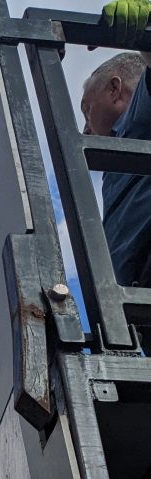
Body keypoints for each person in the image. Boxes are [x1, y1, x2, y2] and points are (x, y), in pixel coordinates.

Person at [81, 1, 151, 289]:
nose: (84, 127)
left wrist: (146, 30)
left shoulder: (139, 115)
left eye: (86, 109)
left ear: (114, 89)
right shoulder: (120, 156)